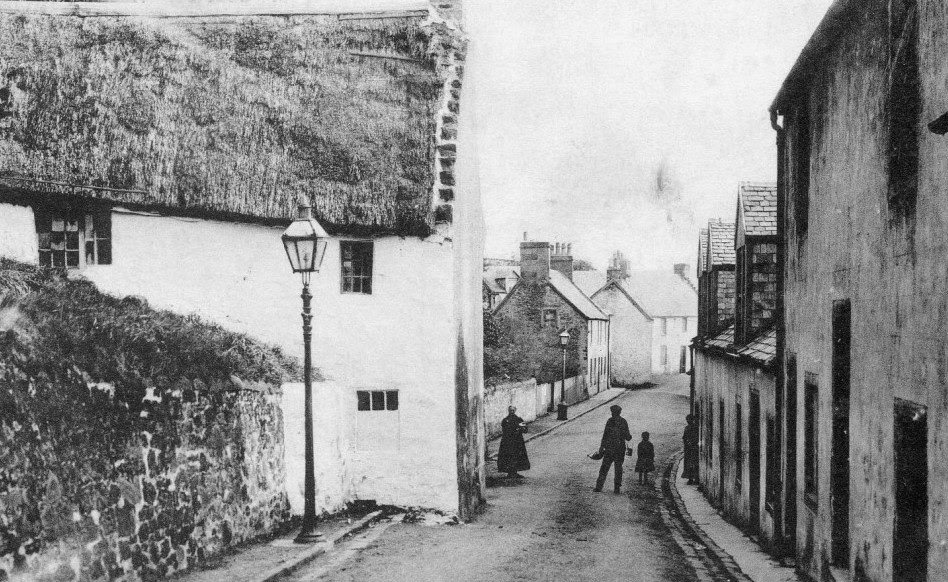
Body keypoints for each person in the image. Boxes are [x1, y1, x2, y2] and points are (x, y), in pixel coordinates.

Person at [594, 404, 633, 493]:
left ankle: (598, 487)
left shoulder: (610, 421)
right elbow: (628, 437)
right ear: (620, 412)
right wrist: (629, 437)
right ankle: (617, 488)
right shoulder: (623, 421)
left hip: (609, 449)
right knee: (618, 468)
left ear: (613, 412)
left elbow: (605, 435)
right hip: (620, 450)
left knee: (604, 468)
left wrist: (601, 447)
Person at [497, 406, 530, 478]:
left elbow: (525, 430)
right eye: (510, 410)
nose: (512, 412)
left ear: (515, 410)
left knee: (517, 456)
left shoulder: (519, 419)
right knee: (509, 456)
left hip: (517, 442)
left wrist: (522, 427)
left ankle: (514, 472)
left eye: (513, 410)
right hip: (508, 442)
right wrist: (517, 427)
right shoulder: (505, 420)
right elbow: (506, 430)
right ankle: (510, 473)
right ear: (508, 411)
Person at [683, 413, 699, 485]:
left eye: (689, 420)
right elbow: (684, 437)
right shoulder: (686, 428)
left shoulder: (695, 428)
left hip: (694, 448)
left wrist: (692, 443)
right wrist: (687, 442)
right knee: (688, 463)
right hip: (687, 448)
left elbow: (697, 437)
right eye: (687, 420)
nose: (688, 421)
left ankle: (696, 479)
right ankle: (690, 479)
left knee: (694, 463)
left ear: (692, 420)